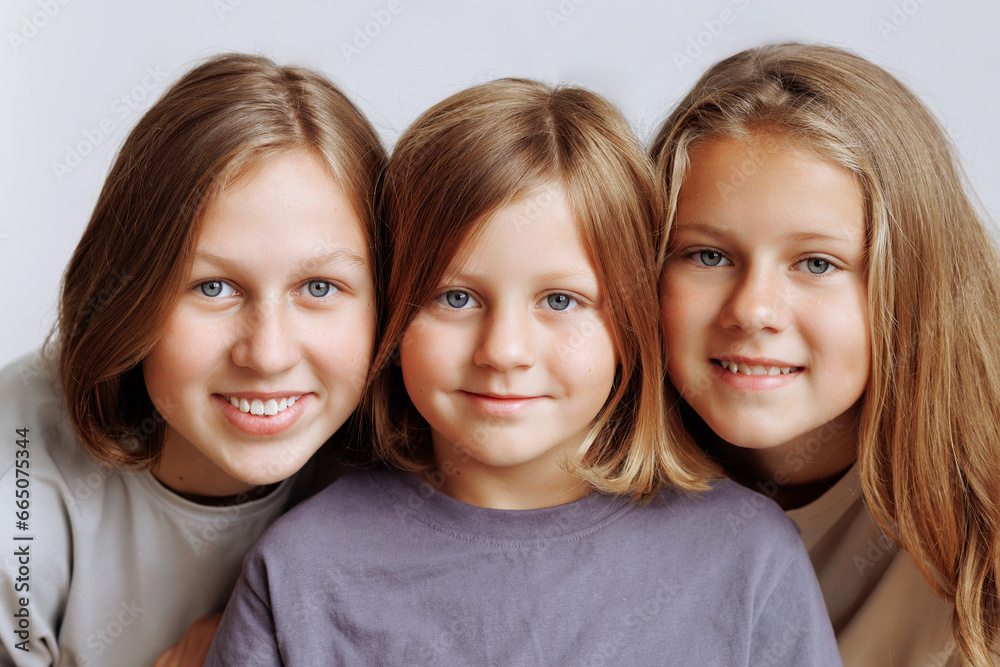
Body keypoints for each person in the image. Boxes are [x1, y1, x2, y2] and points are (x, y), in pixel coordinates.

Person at [206, 77, 840, 665]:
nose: (504, 351)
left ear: (632, 318)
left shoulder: (747, 556)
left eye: (560, 301)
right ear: (392, 313)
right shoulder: (300, 567)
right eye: (456, 298)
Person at [0, 53, 386, 666]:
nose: (267, 354)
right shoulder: (16, 477)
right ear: (129, 292)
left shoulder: (415, 462)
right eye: (212, 287)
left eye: (319, 287)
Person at [652, 42, 1000, 666]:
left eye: (817, 263)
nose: (754, 310)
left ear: (911, 287)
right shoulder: (570, 467)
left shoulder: (982, 505)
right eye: (708, 255)